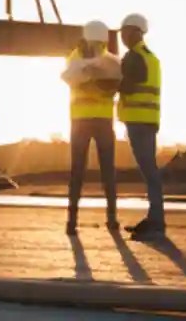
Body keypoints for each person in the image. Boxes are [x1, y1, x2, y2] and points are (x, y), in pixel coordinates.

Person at [59, 19, 121, 235]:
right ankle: (111, 219)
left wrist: (91, 78)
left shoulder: (74, 58)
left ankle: (72, 222)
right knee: (106, 171)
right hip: (100, 120)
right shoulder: (108, 60)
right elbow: (114, 84)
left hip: (81, 121)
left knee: (78, 171)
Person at [117, 12, 165, 240]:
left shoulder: (133, 57)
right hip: (149, 120)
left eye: (125, 32)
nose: (122, 37)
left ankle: (156, 222)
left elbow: (127, 86)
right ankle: (154, 218)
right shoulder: (150, 57)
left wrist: (106, 82)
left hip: (138, 120)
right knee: (150, 170)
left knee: (150, 172)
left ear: (136, 32)